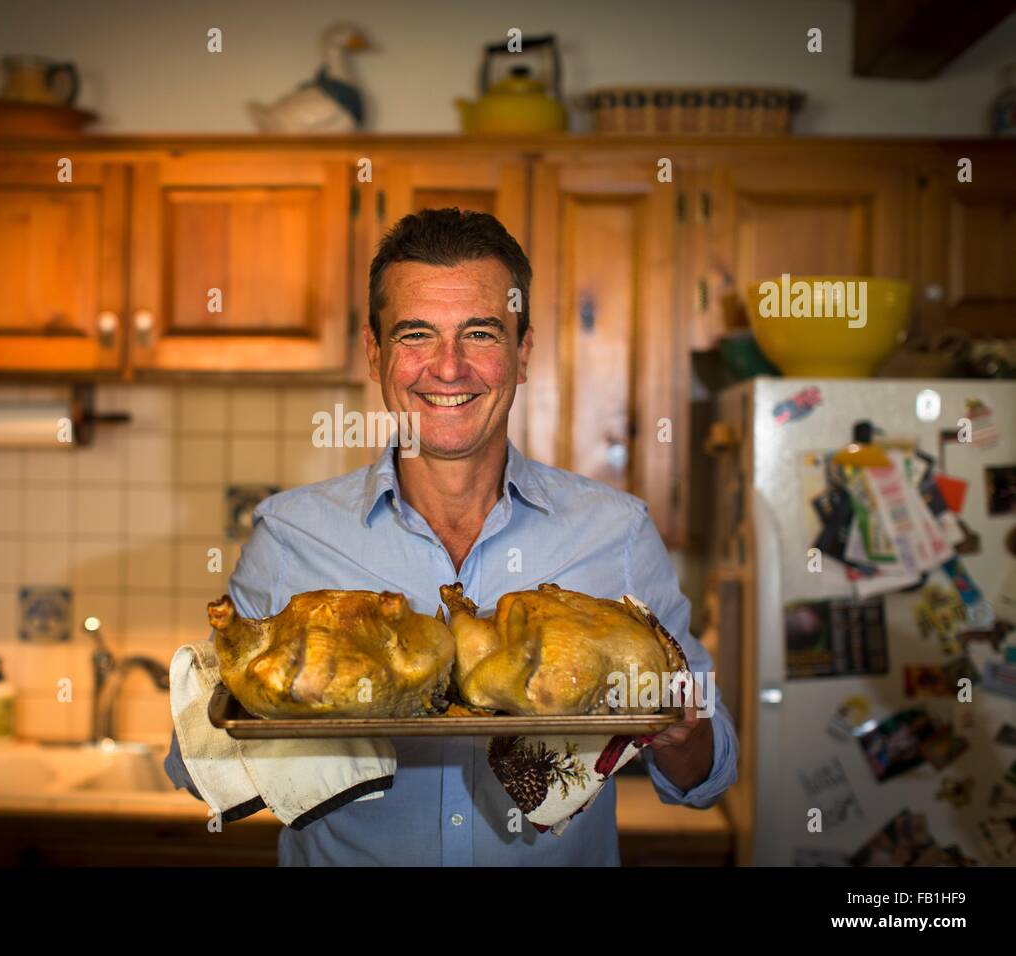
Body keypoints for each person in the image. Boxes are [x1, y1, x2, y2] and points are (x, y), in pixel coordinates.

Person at [165, 207, 738, 865]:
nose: (448, 367)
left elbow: (708, 776)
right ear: (375, 353)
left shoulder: (618, 532)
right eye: (415, 335)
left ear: (522, 353)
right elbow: (196, 766)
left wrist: (677, 729)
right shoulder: (290, 536)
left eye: (480, 334)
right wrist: (238, 712)